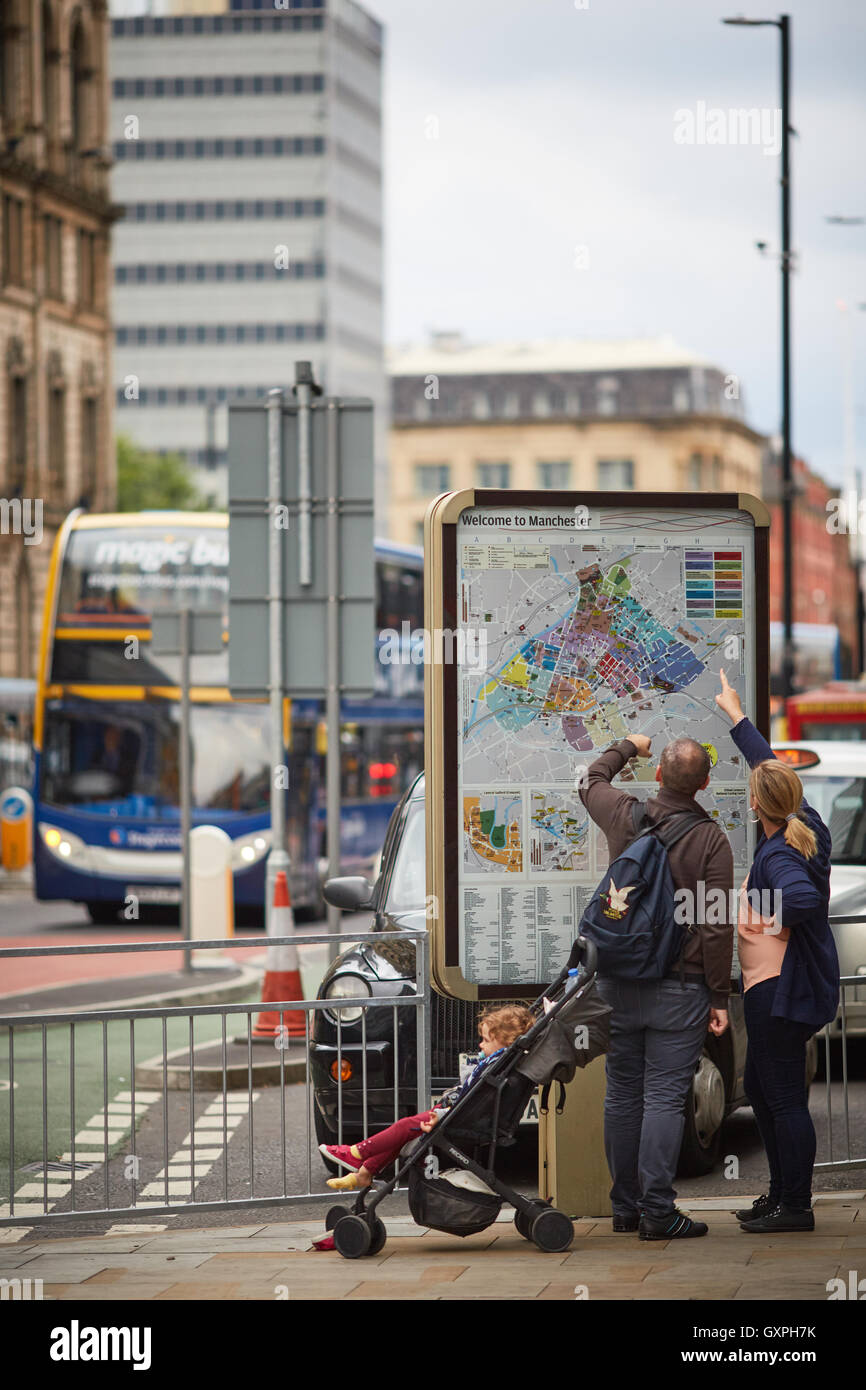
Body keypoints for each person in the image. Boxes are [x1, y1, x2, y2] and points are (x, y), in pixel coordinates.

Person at [578, 730, 734, 1239]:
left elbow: (589, 779)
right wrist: (718, 996)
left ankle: (624, 1209)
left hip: (618, 981)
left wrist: (627, 745)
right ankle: (658, 1213)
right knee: (666, 1097)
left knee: (622, 1094)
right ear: (706, 783)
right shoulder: (711, 839)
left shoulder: (625, 814)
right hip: (681, 986)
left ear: (659, 775)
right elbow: (714, 925)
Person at [715, 669, 840, 1233]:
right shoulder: (801, 822)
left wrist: (773, 917)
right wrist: (738, 718)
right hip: (780, 986)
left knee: (783, 1096)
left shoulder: (778, 854)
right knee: (763, 1088)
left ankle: (796, 1205)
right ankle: (782, 1193)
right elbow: (771, 771)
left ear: (756, 805)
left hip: (778, 991)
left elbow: (803, 897)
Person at [320, 1003, 534, 1191]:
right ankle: (364, 1173)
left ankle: (356, 1152)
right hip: (455, 1113)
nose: (481, 1045)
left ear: (506, 1043)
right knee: (403, 1135)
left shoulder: (495, 1068)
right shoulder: (501, 1064)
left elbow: (471, 1100)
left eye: (486, 1040)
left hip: (454, 1117)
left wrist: (441, 1114)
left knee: (403, 1127)